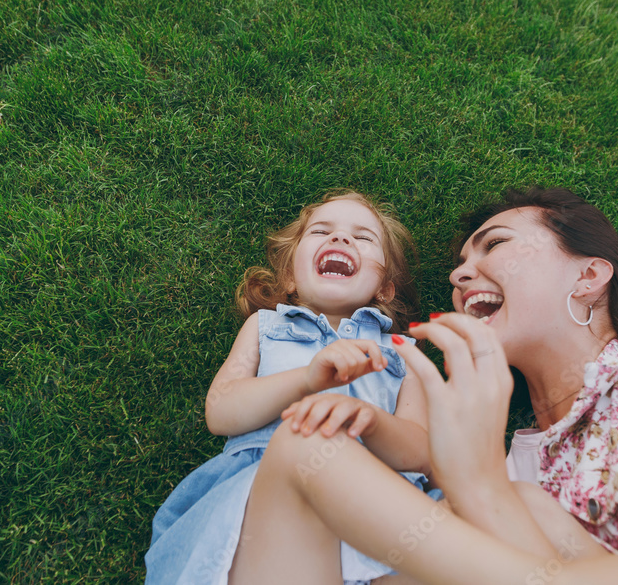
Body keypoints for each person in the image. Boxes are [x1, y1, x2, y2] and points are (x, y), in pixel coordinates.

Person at [229, 187, 618, 585]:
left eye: (494, 245)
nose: (459, 277)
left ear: (588, 277)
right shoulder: (502, 458)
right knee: (307, 444)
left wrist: (482, 489)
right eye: (461, 264)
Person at [144, 191, 432, 584]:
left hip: (375, 499)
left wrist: (372, 421)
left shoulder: (403, 353)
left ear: (385, 289)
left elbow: (421, 452)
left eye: (363, 237)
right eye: (321, 231)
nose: (341, 239)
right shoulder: (266, 328)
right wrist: (306, 379)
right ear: (292, 279)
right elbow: (221, 411)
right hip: (268, 486)